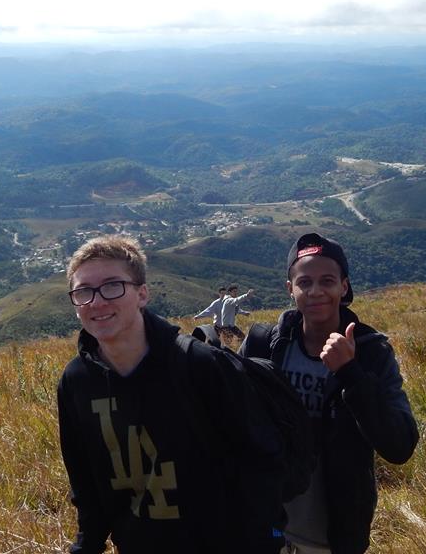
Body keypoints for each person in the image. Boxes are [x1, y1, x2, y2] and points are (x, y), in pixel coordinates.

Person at [56, 235, 281, 554]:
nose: (97, 301)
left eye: (112, 286)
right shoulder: (76, 382)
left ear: (142, 294)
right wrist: (86, 545)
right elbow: (87, 485)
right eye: (83, 291)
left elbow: (260, 462)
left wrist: (263, 540)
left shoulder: (198, 364)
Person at [240, 232, 418, 554]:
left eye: (327, 280)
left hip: (335, 535)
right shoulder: (262, 346)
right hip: (265, 528)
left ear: (344, 286)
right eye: (304, 282)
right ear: (290, 289)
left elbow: (399, 446)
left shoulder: (371, 354)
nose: (316, 291)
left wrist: (351, 373)